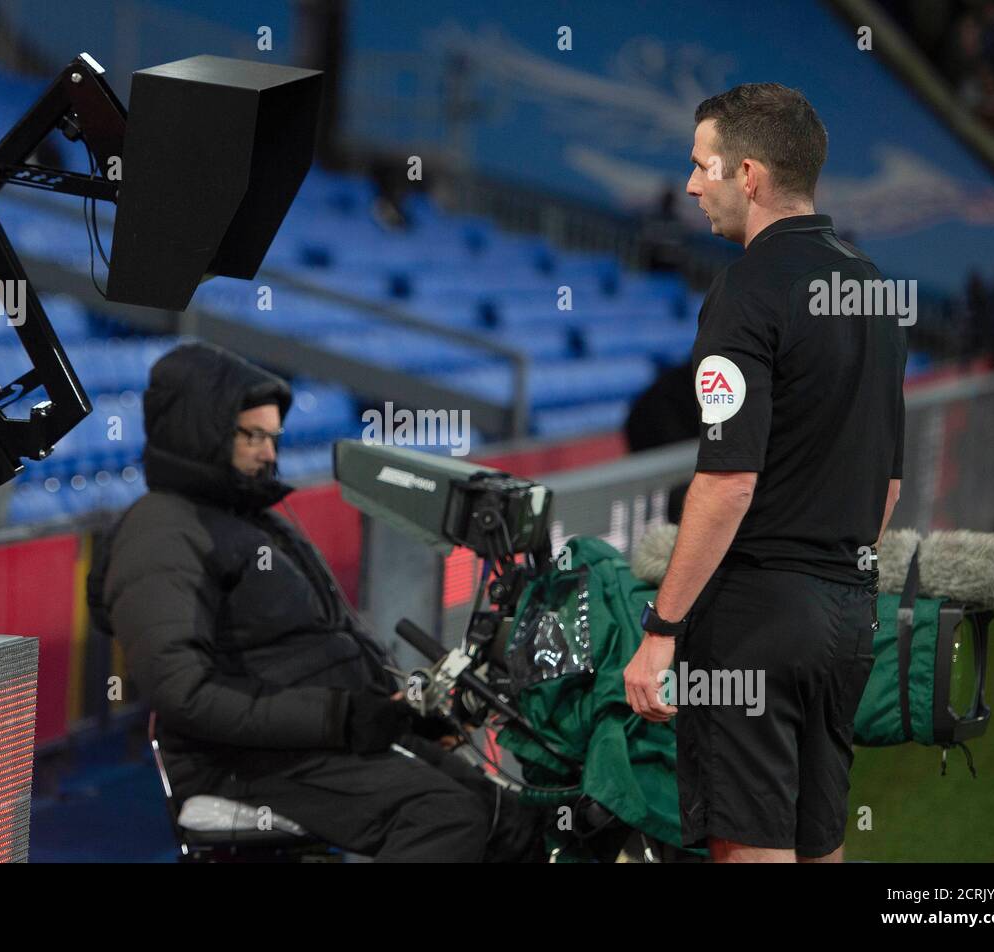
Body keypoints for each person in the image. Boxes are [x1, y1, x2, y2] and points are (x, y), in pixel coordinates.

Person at [88, 341, 541, 862]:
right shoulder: (162, 534)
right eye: (253, 436)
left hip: (316, 744)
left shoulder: (250, 517)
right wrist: (338, 718)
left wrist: (399, 716)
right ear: (201, 430)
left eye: (273, 437)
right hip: (246, 763)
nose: (269, 454)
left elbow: (317, 648)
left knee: (508, 817)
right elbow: (184, 694)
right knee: (443, 817)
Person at [622, 83, 907, 863]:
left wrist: (661, 632)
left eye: (700, 165)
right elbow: (889, 483)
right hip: (848, 617)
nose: (689, 185)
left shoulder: (746, 287)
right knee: (820, 849)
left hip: (756, 621)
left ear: (747, 175)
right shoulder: (873, 285)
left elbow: (728, 480)